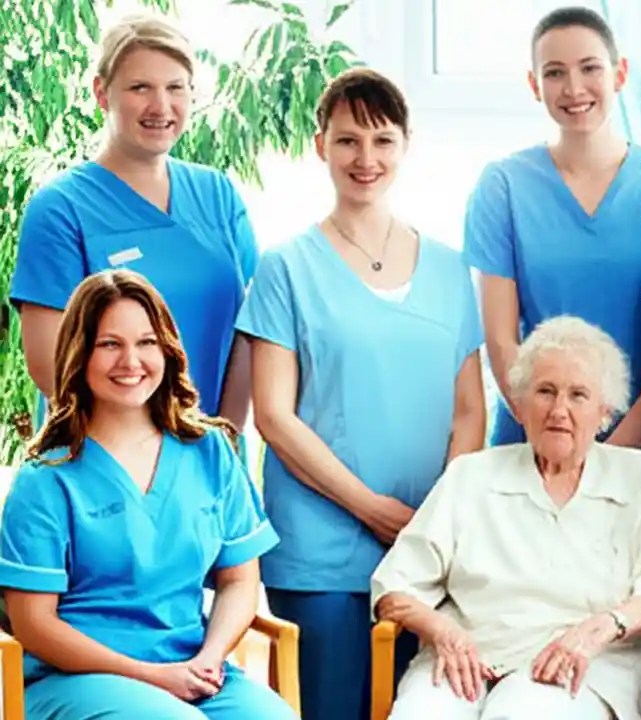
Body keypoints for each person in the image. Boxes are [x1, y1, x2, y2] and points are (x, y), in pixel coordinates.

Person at [234, 68, 486, 720]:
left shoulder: (452, 268)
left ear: (405, 145)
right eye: (347, 141)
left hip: (428, 550)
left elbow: (468, 412)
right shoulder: (286, 267)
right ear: (320, 146)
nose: (365, 159)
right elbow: (275, 417)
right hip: (323, 553)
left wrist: (436, 523)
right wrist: (374, 509)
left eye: (381, 139)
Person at [370, 316, 641, 720]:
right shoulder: (471, 475)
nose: (559, 410)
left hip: (590, 664)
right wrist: (443, 632)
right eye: (545, 391)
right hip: (467, 656)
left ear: (605, 412)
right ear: (521, 404)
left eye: (578, 395)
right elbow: (395, 588)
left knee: (521, 713)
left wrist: (598, 629)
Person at [0, 269, 289, 719]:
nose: (131, 361)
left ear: (167, 349)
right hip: (77, 679)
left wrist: (208, 659)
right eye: (109, 344)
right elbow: (34, 625)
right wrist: (151, 677)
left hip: (192, 667)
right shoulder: (47, 478)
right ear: (80, 354)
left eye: (147, 342)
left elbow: (239, 580)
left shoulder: (210, 451)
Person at [10, 14, 257, 428]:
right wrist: (148, 456)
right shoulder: (61, 208)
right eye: (140, 87)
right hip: (104, 456)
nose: (160, 106)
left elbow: (251, 332)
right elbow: (49, 365)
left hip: (211, 456)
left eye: (175, 87)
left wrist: (223, 441)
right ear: (102, 93)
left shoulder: (218, 195)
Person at [464, 6, 641, 451]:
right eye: (554, 73)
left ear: (619, 74)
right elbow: (500, 340)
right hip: (531, 438)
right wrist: (554, 439)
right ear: (534, 85)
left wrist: (609, 456)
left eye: (589, 68)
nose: (573, 88)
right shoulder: (504, 186)